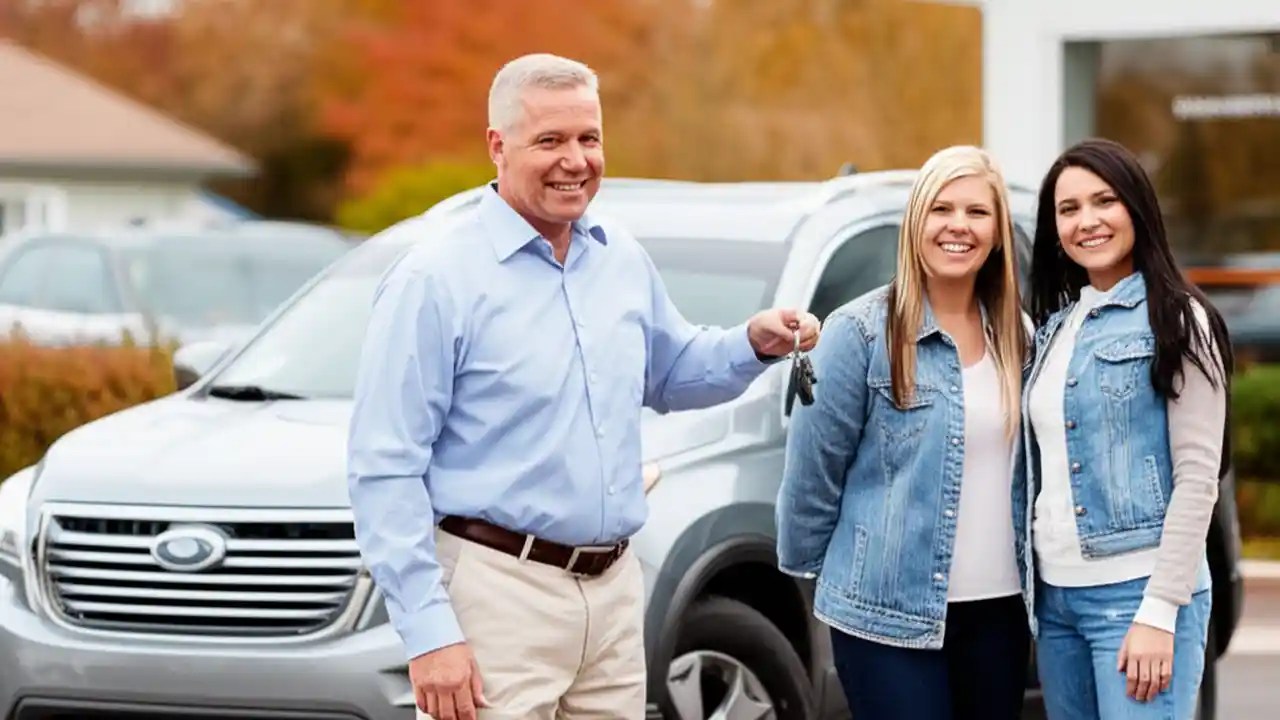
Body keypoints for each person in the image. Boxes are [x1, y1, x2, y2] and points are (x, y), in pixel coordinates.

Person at [345, 52, 820, 720]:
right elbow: (384, 467)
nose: (576, 159)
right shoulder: (435, 278)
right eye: (550, 141)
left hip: (614, 597)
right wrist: (429, 633)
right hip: (494, 597)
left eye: (588, 138)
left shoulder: (618, 256)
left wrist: (752, 343)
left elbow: (672, 370)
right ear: (497, 146)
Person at [776, 145, 1032, 719]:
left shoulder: (1018, 336)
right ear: (916, 221)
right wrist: (832, 586)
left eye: (976, 212)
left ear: (997, 232)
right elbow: (811, 477)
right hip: (884, 617)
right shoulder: (858, 335)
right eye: (941, 209)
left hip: (1000, 613)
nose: (958, 226)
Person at [1024, 138, 1232, 719]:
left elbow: (1197, 477)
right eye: (1069, 209)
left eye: (1104, 201)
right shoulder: (1057, 326)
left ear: (1136, 208)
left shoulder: (1179, 319)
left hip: (1137, 594)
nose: (1087, 221)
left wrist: (1160, 609)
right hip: (1057, 599)